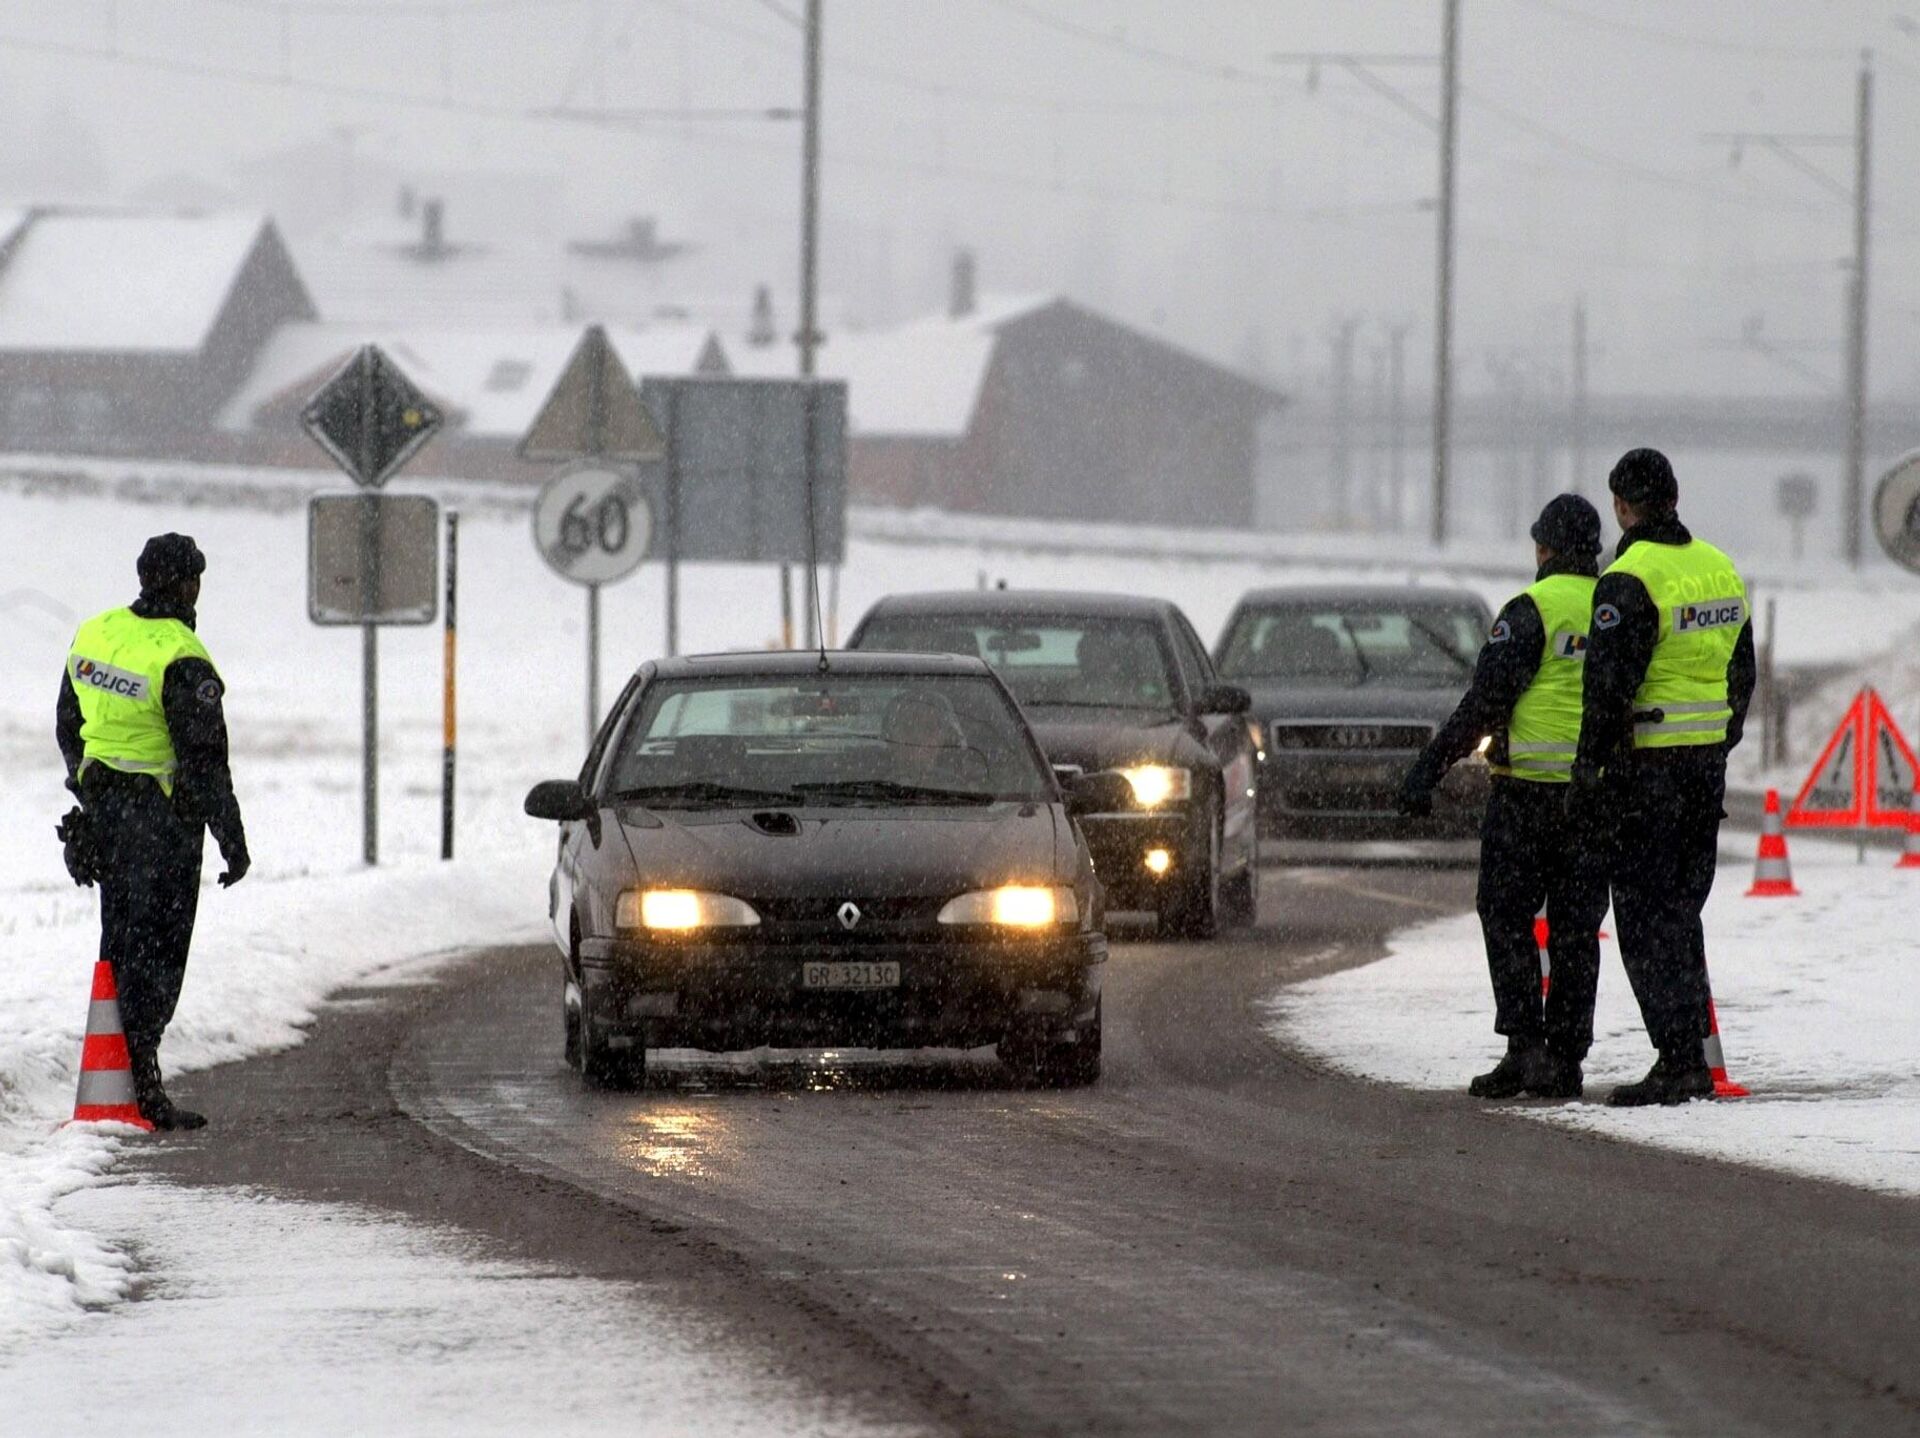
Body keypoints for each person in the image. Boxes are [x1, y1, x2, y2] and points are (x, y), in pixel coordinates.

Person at [1398, 494, 1609, 1100]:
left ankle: (1524, 1047)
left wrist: (1429, 769)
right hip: (1592, 797)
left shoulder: (1530, 611)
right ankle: (1565, 1059)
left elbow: (1485, 704)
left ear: (1543, 549)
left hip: (1526, 797)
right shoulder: (1613, 605)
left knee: (1505, 913)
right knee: (1576, 929)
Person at [1571, 449, 1755, 1106]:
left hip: (1647, 769)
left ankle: (1677, 1060)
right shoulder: (1719, 567)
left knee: (1645, 917)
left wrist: (1589, 767)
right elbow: (1742, 672)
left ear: (1622, 507)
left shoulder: (1629, 578)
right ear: (1673, 499)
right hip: (1704, 769)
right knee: (1679, 911)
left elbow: (1607, 687)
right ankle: (1691, 1057)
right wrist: (1719, 740)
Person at [56, 534, 249, 1131]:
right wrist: (231, 836)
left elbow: (69, 723)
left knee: (121, 941)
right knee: (159, 951)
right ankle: (141, 1084)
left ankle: (120, 1079)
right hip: (162, 821)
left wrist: (89, 798)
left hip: (107, 811)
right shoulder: (181, 654)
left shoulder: (97, 632)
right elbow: (204, 758)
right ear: (188, 586)